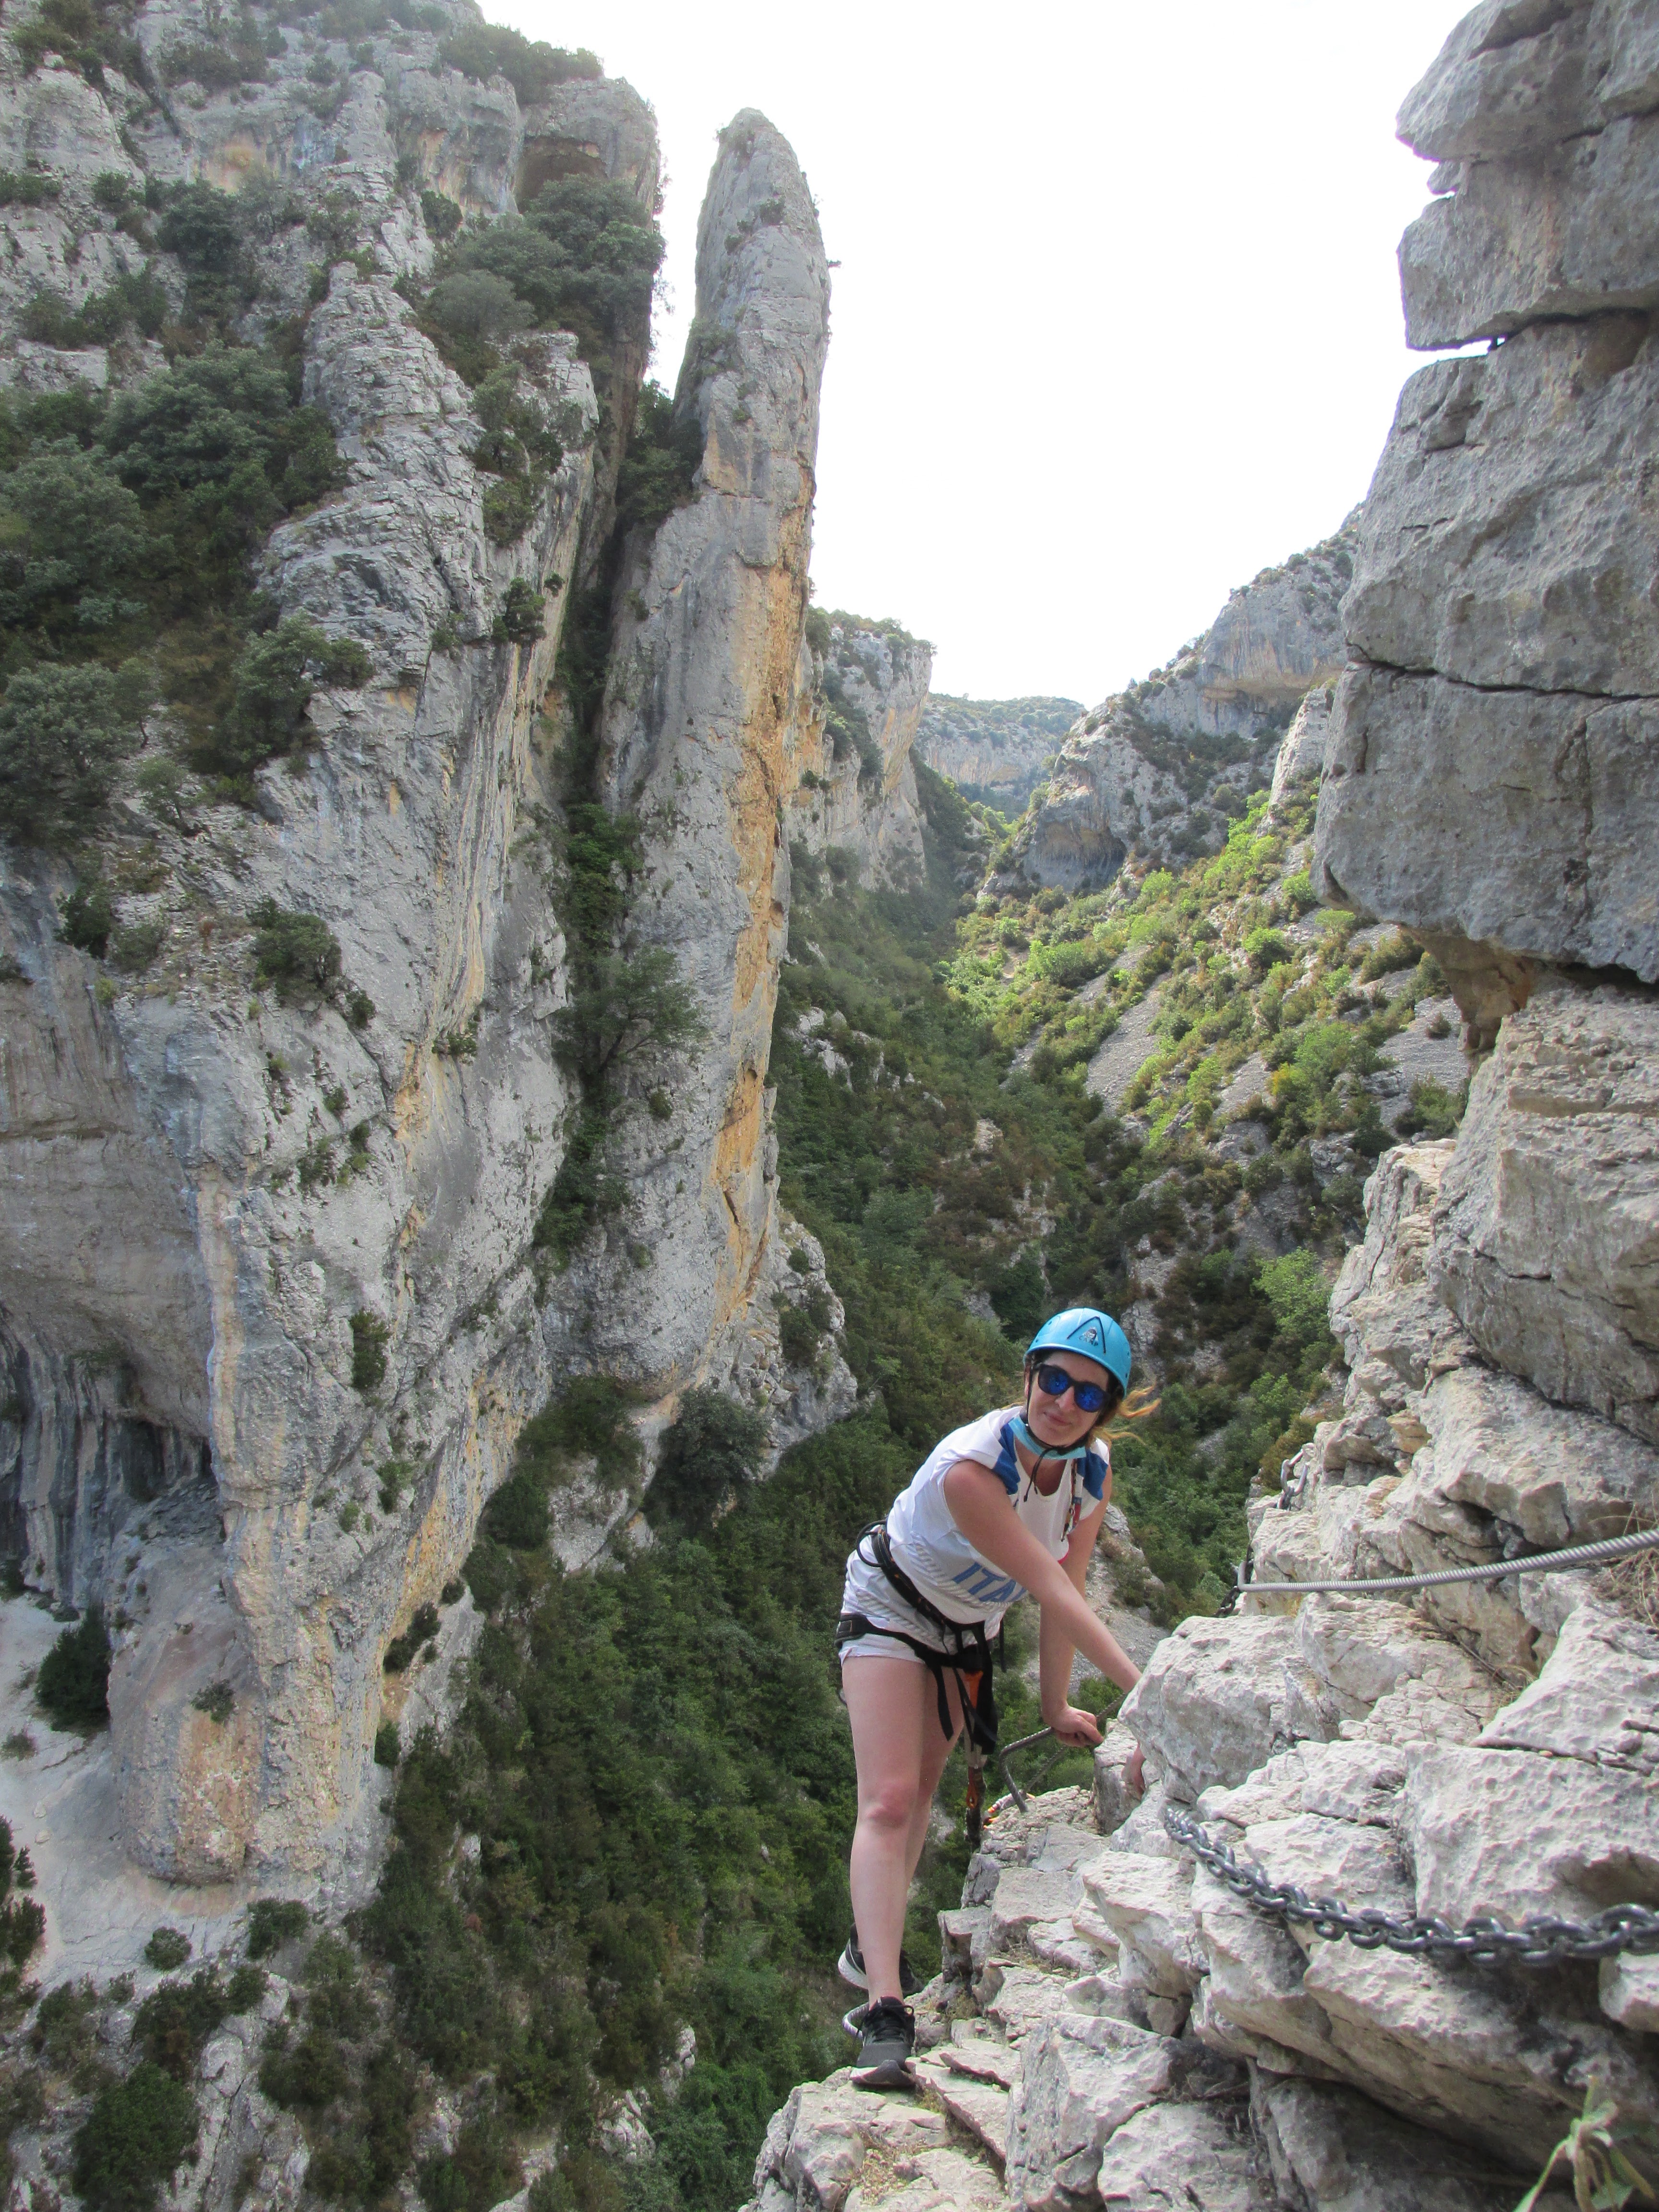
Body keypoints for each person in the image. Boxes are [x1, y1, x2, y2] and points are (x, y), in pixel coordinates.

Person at [834, 1308, 1148, 2090]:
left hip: (965, 1631)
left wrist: (1054, 1708)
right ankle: (883, 2008)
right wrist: (1153, 1692)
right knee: (891, 1801)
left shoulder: (1089, 1473)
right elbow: (1047, 1586)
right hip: (891, 1606)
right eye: (1055, 1381)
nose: (1065, 1403)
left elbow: (1067, 1589)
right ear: (1029, 1375)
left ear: (1103, 1412)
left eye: (1087, 1396)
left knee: (923, 1792)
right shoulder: (972, 1470)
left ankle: (863, 1941)